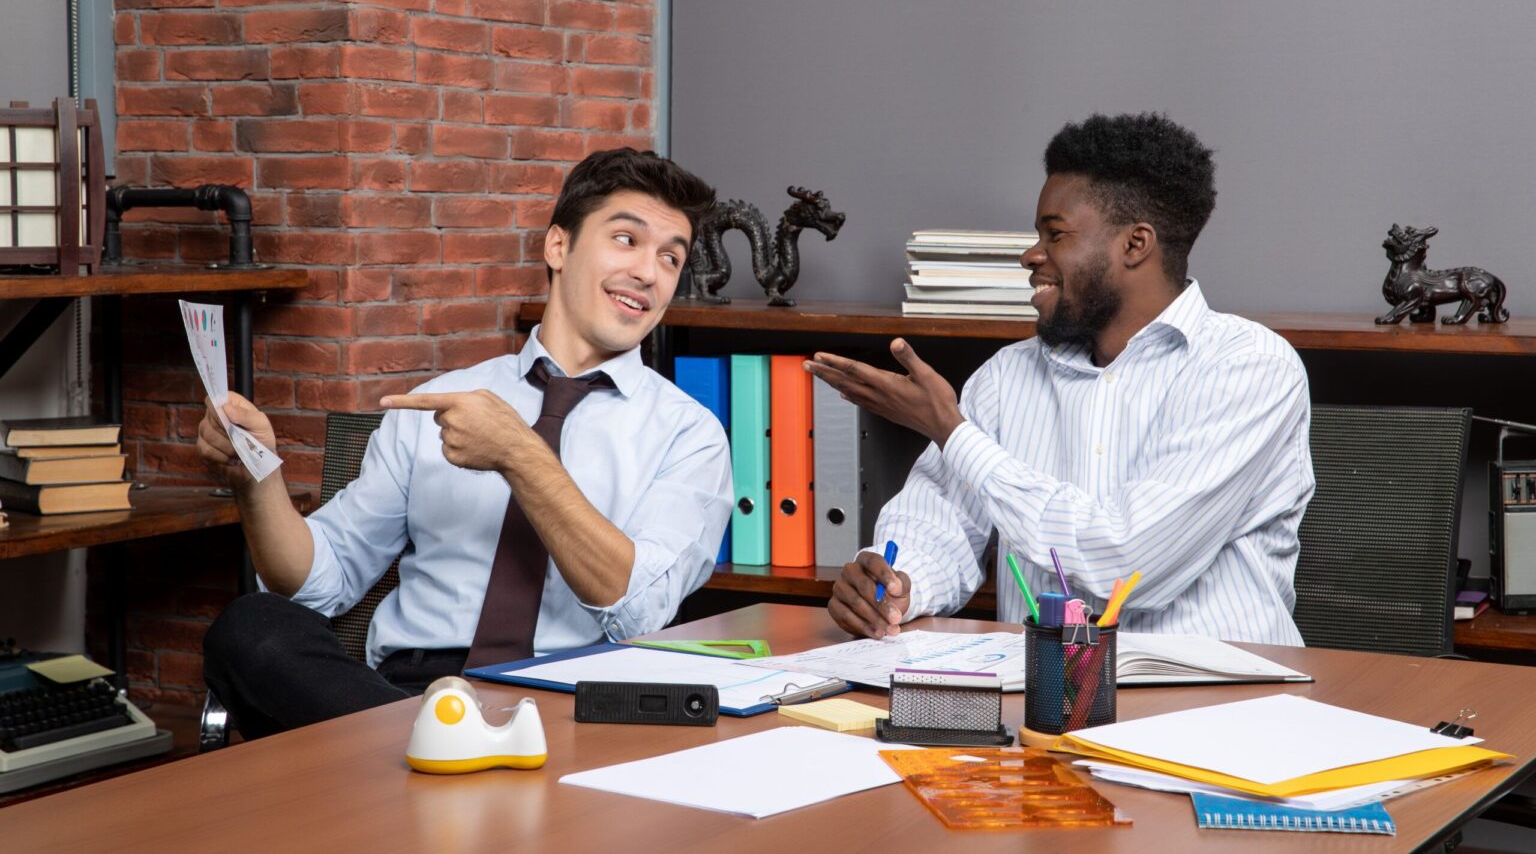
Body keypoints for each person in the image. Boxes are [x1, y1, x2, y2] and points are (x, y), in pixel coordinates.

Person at [199, 148, 732, 738]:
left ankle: (422, 762)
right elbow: (316, 583)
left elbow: (638, 605)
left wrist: (518, 453)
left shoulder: (691, 434)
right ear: (558, 247)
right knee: (251, 626)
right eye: (627, 240)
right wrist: (258, 480)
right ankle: (434, 745)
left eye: (670, 257)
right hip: (408, 696)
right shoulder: (441, 400)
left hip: (575, 706)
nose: (649, 273)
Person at [815, 113, 1314, 646]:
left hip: (1218, 703)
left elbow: (1128, 563)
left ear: (1135, 244)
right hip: (1040, 700)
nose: (1031, 256)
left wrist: (954, 433)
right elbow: (939, 524)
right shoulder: (1006, 378)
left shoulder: (1248, 367)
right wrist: (902, 583)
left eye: (1055, 235)